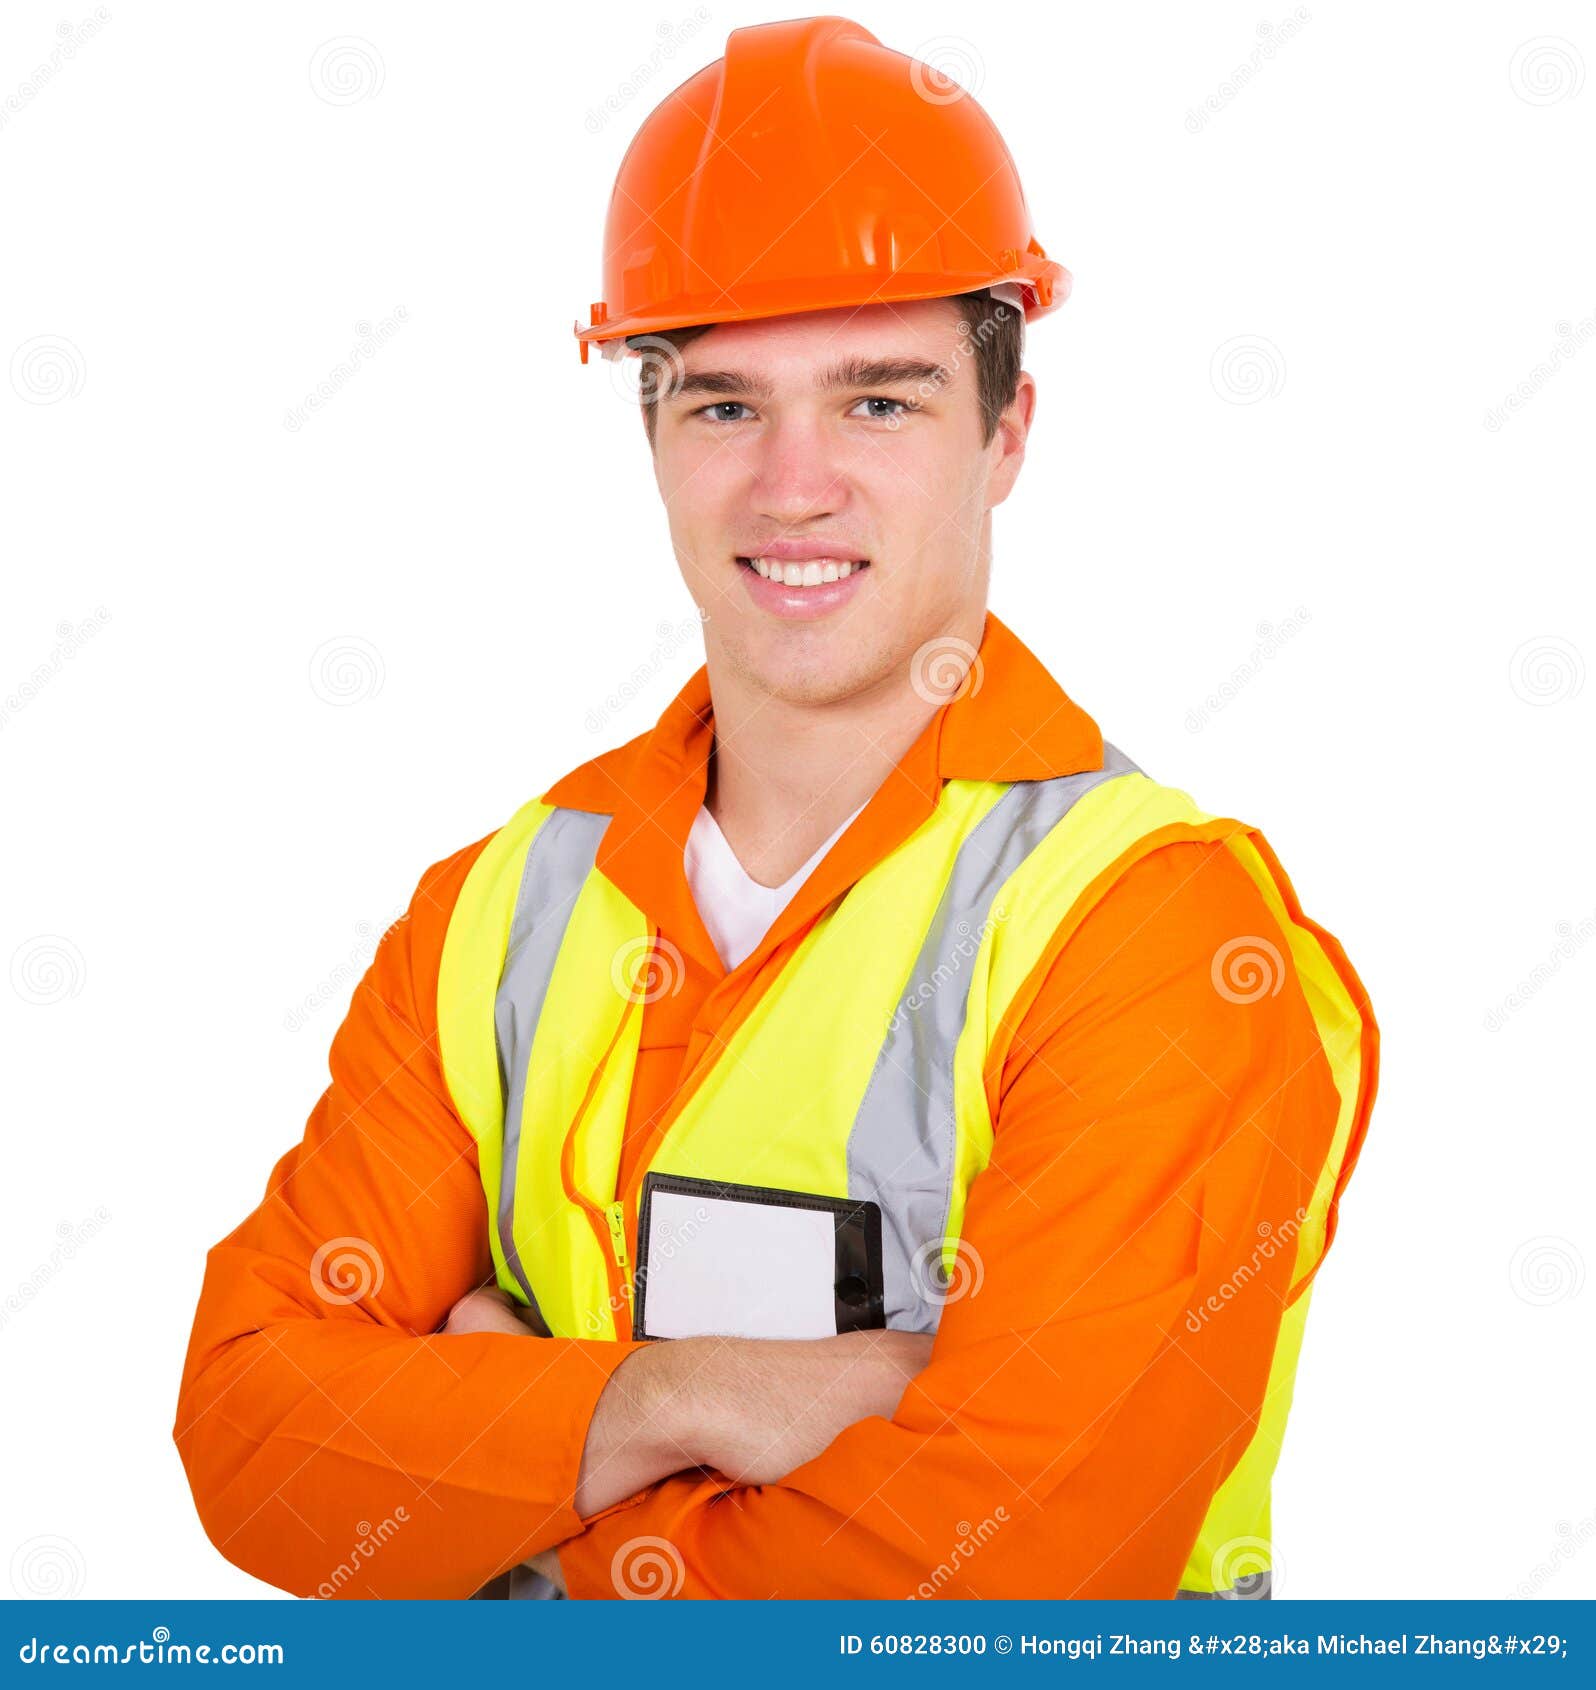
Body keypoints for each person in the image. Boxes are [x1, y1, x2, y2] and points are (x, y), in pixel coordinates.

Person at [173, 16, 1378, 1601]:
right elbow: (252, 1433)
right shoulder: (495, 916)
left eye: (880, 401)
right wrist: (686, 1399)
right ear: (655, 436)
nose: (791, 483)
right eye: (725, 404)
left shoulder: (1150, 941)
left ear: (1007, 432)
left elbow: (1002, 1573)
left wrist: (506, 1462)